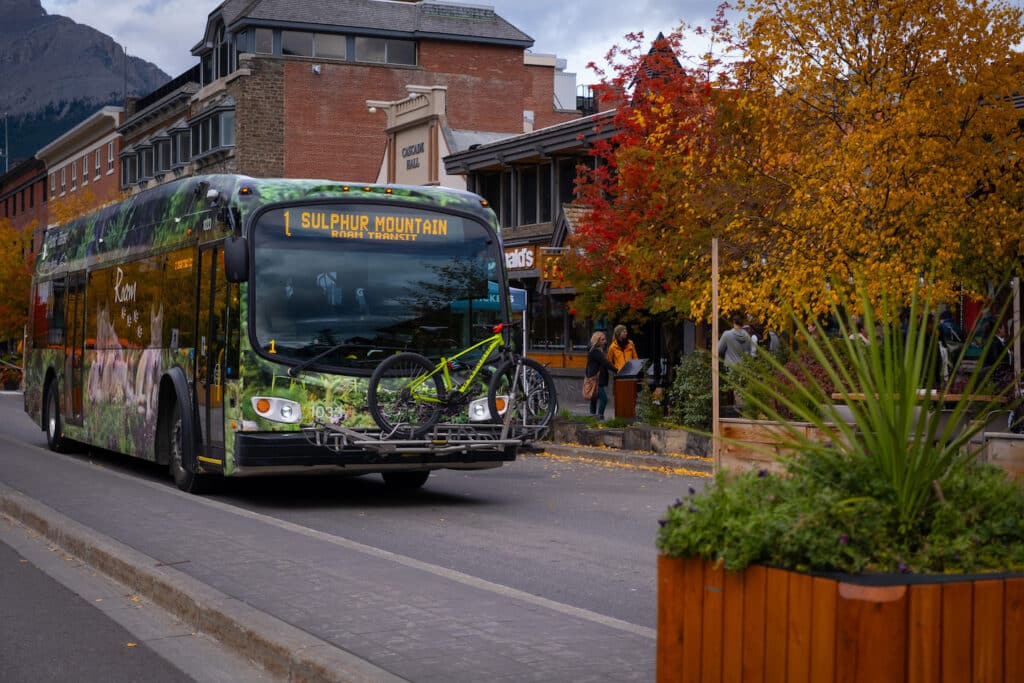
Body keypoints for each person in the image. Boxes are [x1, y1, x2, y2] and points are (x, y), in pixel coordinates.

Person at [586, 331, 617, 418]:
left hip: (596, 378)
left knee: (594, 399)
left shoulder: (597, 350)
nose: (605, 341)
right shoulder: (595, 351)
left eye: (605, 339)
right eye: (602, 340)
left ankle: (592, 417)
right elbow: (605, 363)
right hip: (596, 379)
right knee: (603, 399)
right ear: (597, 340)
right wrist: (616, 370)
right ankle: (600, 417)